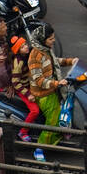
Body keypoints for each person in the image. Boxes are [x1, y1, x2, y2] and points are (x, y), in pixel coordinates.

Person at [0, 17, 40, 140]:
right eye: (3, 27)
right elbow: (2, 72)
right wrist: (10, 85)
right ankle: (24, 131)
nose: (6, 28)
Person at [24, 23, 71, 157]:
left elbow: (55, 61)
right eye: (50, 39)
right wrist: (57, 83)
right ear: (42, 40)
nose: (53, 41)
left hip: (52, 89)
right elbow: (39, 80)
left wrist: (71, 61)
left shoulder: (45, 49)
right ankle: (39, 149)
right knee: (53, 121)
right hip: (43, 94)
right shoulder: (35, 56)